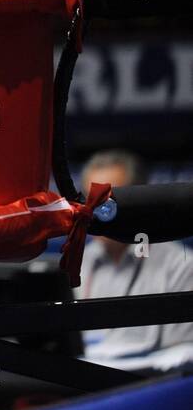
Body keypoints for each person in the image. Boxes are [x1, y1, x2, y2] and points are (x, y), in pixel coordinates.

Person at [76, 150, 193, 372]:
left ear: (139, 204)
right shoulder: (75, 263)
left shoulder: (182, 267)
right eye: (89, 200)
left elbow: (184, 358)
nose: (96, 213)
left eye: (108, 202)